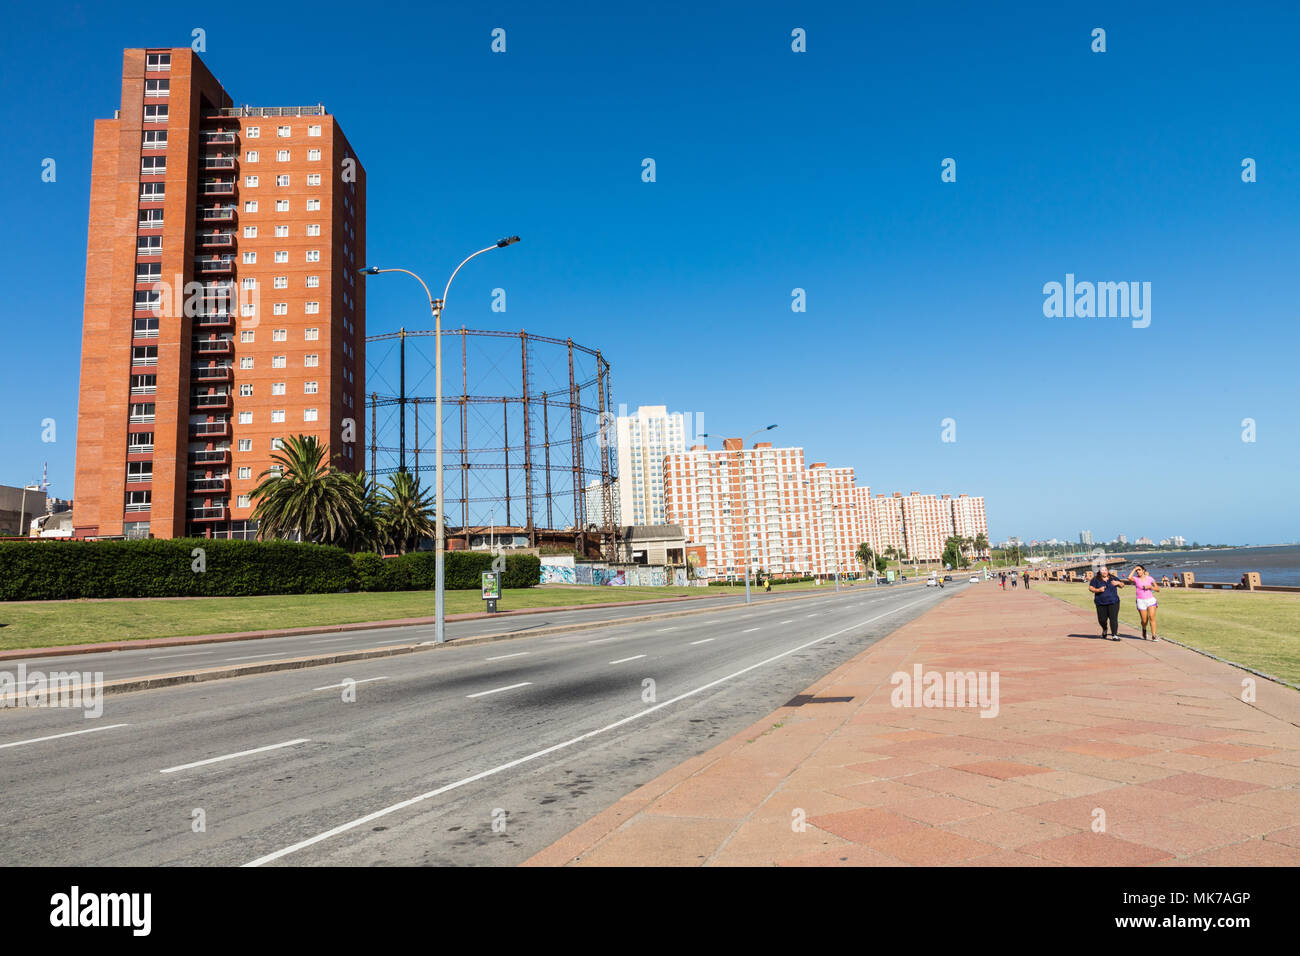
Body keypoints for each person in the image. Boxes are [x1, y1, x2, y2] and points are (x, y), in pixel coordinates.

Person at [1088, 565, 1126, 640]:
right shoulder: (1095, 579)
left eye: (1105, 570)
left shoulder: (1113, 578)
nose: (1104, 572)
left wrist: (1118, 583)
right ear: (1099, 572)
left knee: (1113, 618)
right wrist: (1098, 590)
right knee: (1102, 620)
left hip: (1113, 602)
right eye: (1102, 570)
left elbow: (1122, 585)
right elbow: (1090, 588)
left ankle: (1114, 635)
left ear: (1107, 571)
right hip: (1100, 603)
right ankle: (1105, 629)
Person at [1128, 564, 1160, 640]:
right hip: (1141, 601)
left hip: (1150, 600)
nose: (1138, 571)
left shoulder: (1150, 578)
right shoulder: (1136, 579)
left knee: (1152, 617)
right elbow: (1129, 578)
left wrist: (1150, 587)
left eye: (1139, 570)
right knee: (1144, 620)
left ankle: (1154, 636)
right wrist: (1134, 569)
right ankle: (1144, 629)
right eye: (1137, 571)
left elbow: (1158, 589)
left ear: (1143, 570)